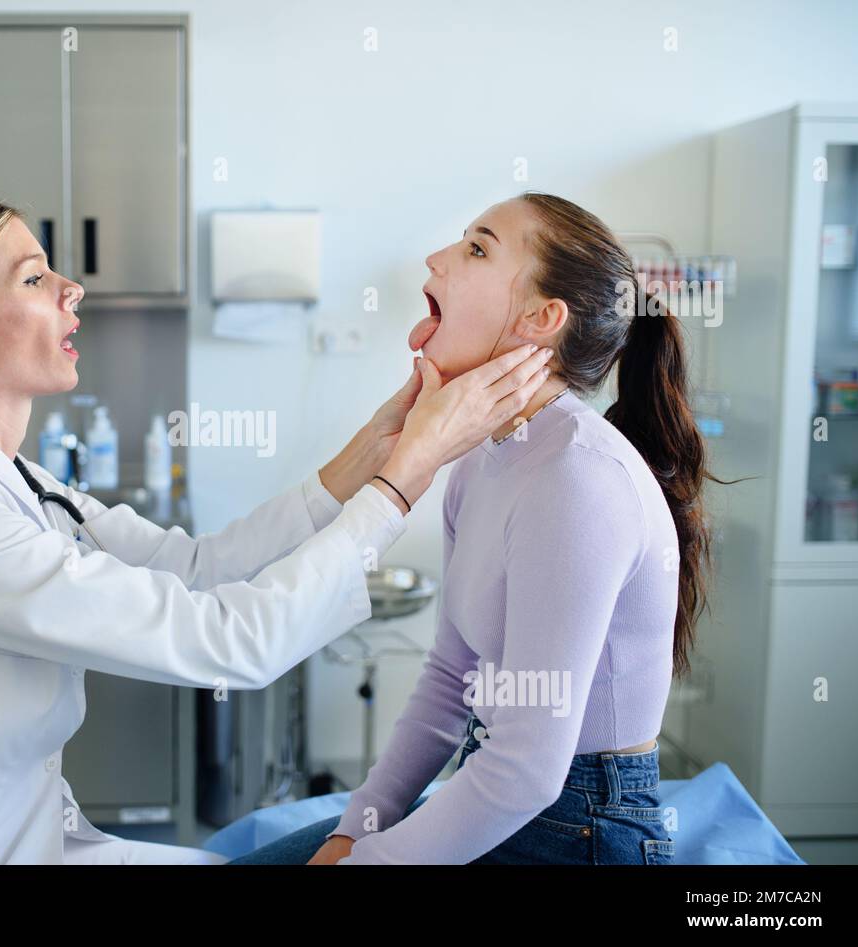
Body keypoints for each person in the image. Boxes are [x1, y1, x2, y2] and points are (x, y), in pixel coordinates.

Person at [0, 196, 551, 864]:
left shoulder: (16, 484)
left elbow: (198, 566)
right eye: (34, 278)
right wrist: (402, 481)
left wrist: (374, 449)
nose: (72, 290)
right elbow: (228, 642)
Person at [233, 192, 711, 865]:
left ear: (540, 319)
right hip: (500, 793)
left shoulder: (577, 477)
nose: (436, 259)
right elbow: (452, 675)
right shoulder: (485, 457)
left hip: (581, 830)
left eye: (477, 248)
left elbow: (526, 770)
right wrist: (357, 826)